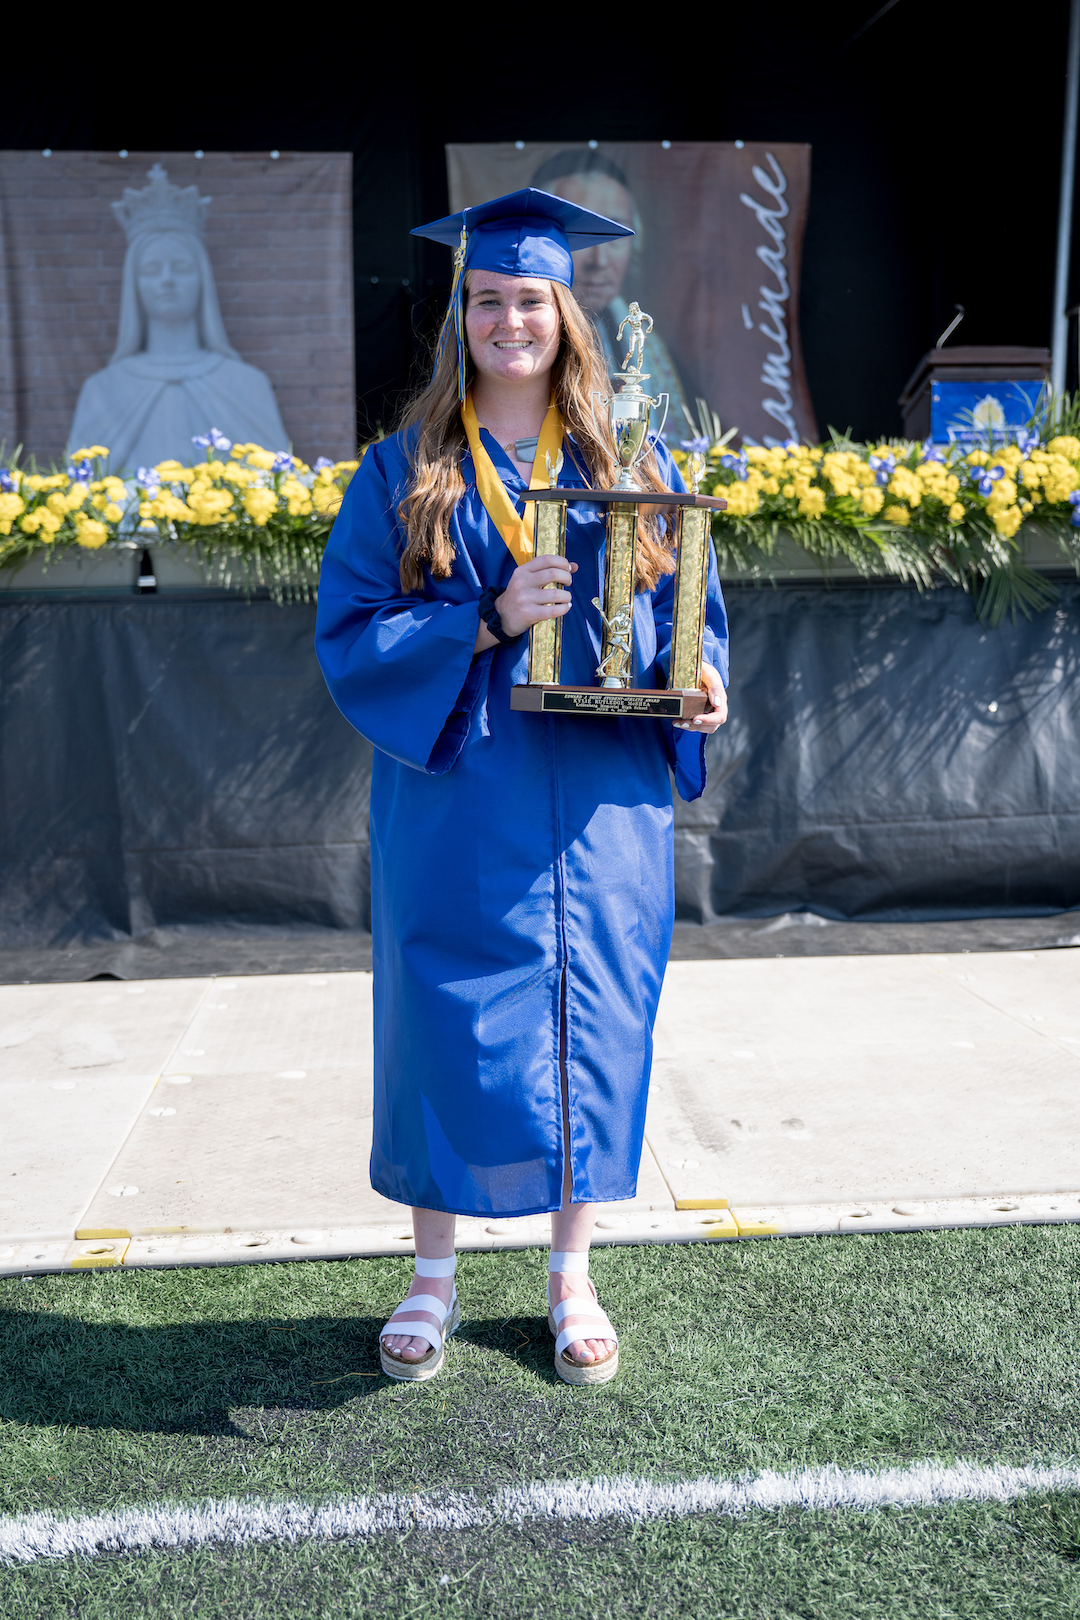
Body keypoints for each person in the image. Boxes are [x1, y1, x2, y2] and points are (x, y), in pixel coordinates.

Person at [314, 188, 728, 1387]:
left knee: (595, 1019)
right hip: (463, 799)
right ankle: (431, 1277)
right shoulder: (405, 472)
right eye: (486, 300)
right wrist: (487, 620)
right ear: (459, 318)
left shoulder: (627, 459)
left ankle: (571, 1276)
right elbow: (352, 632)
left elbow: (687, 613)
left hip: (600, 805)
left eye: (529, 300)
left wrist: (702, 685)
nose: (509, 321)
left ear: (567, 315)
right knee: (442, 1026)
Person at [69, 165, 288, 472]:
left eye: (182, 268)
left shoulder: (246, 384)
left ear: (203, 280)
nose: (167, 281)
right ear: (134, 284)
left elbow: (279, 482)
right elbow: (80, 489)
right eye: (151, 270)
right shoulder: (103, 391)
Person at [529, 150, 691, 428]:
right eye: (579, 236)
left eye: (616, 234)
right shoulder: (522, 336)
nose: (599, 261)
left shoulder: (645, 343)